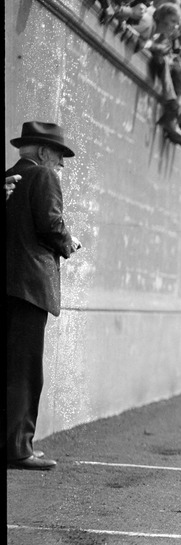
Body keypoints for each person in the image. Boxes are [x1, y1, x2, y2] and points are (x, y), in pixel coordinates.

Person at [6, 122, 82, 470]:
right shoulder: (44, 177)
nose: (61, 165)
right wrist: (69, 243)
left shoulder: (9, 178)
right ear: (42, 152)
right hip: (29, 287)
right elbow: (50, 224)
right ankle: (18, 448)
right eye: (58, 156)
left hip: (8, 285)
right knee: (24, 371)